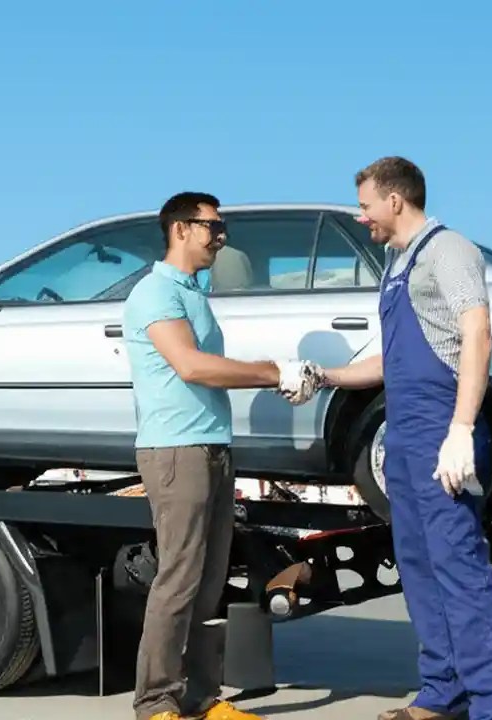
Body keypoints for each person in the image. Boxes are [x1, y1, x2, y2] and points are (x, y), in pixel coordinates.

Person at [314, 157, 492, 720]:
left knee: (459, 570)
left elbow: (476, 333)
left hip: (441, 432)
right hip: (403, 438)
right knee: (419, 567)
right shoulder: (397, 263)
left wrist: (461, 429)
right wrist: (327, 376)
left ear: (395, 200)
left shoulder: (448, 250)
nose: (362, 217)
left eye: (364, 206)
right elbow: (392, 359)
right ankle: (442, 691)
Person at [121, 191, 317, 720]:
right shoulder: (153, 293)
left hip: (212, 447)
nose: (221, 236)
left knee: (209, 581)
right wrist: (274, 372)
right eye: (213, 226)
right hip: (175, 450)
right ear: (180, 229)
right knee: (179, 578)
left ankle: (203, 699)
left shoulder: (193, 292)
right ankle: (156, 703)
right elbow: (193, 367)